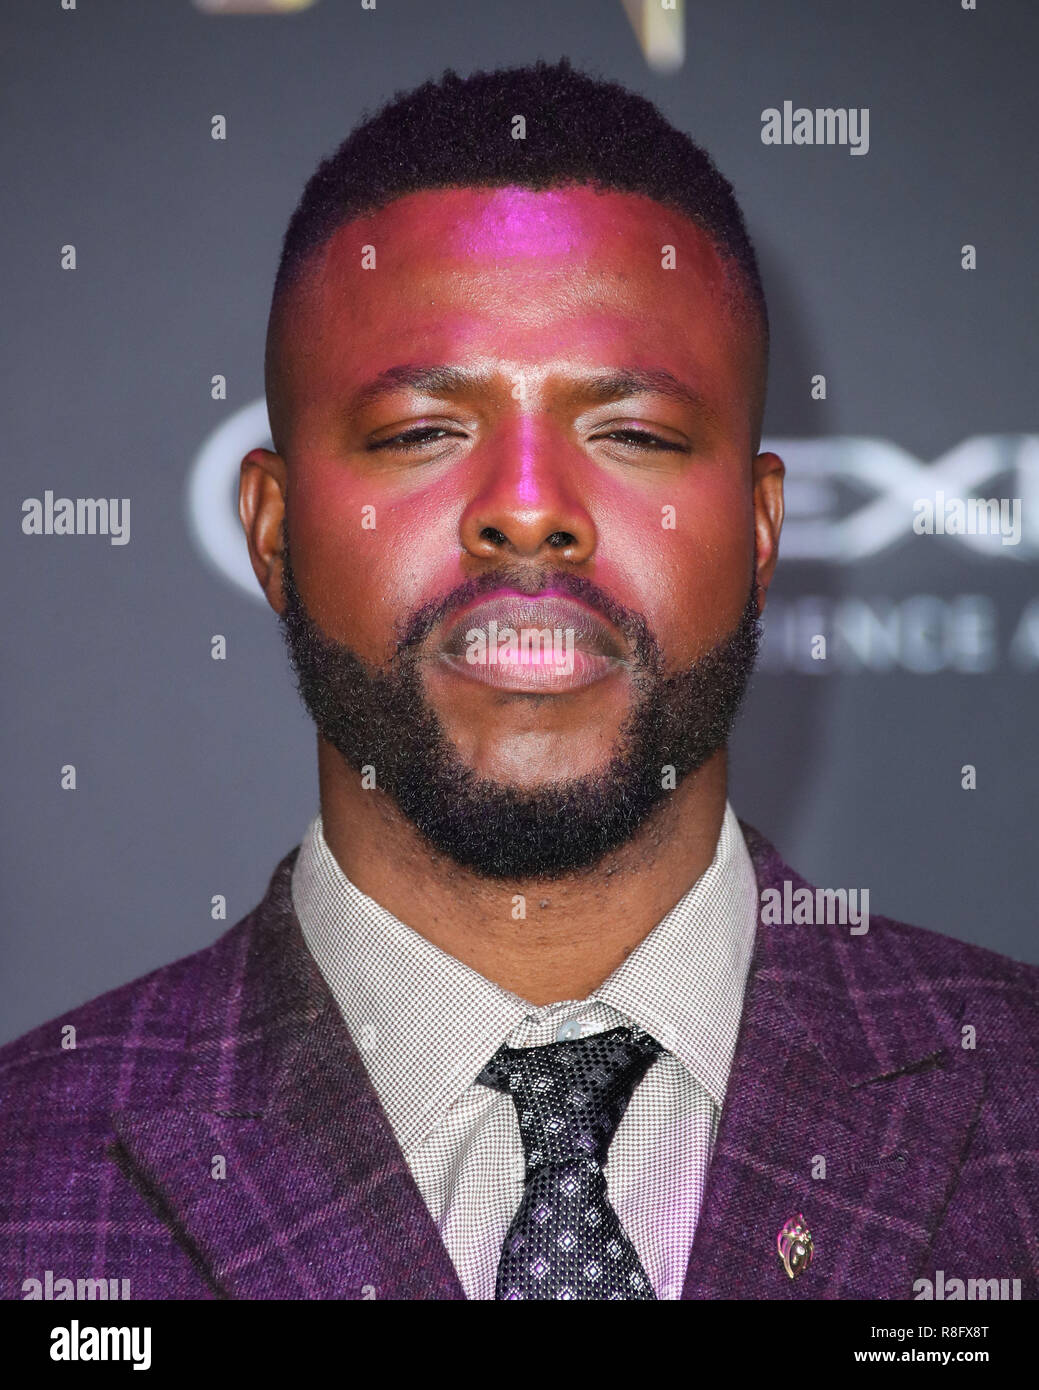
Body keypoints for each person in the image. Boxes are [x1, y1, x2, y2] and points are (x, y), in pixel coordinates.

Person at [2, 59, 1035, 1302]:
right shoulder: (28, 1180)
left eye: (636, 434)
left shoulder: (1012, 1092)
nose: (531, 510)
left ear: (762, 533)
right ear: (274, 533)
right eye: (422, 433)